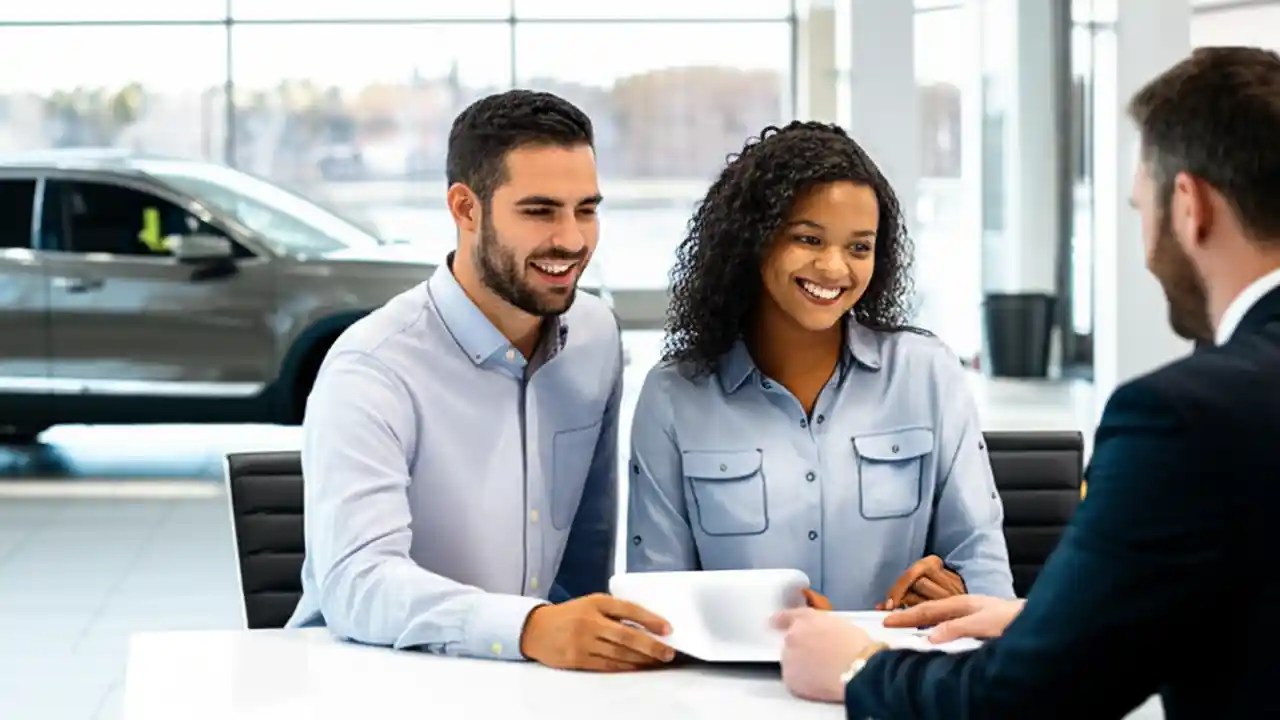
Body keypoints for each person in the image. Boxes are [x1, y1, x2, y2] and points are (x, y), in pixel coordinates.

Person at [772, 46, 1280, 719]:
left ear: (1190, 206)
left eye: (1139, 208)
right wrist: (1050, 622)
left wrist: (859, 668)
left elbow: (1021, 704)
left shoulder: (1183, 418)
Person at [287, 89, 675, 673]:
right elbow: (358, 584)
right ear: (466, 209)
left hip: (531, 682)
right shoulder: (372, 367)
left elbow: (584, 555)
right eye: (540, 211)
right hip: (369, 677)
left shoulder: (594, 336)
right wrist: (530, 628)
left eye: (587, 209)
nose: (571, 239)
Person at [626, 121, 1015, 612]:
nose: (834, 268)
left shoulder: (927, 374)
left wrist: (961, 597)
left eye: (859, 247)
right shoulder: (673, 396)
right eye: (808, 239)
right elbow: (657, 603)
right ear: (753, 239)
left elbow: (984, 568)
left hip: (896, 675)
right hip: (735, 683)